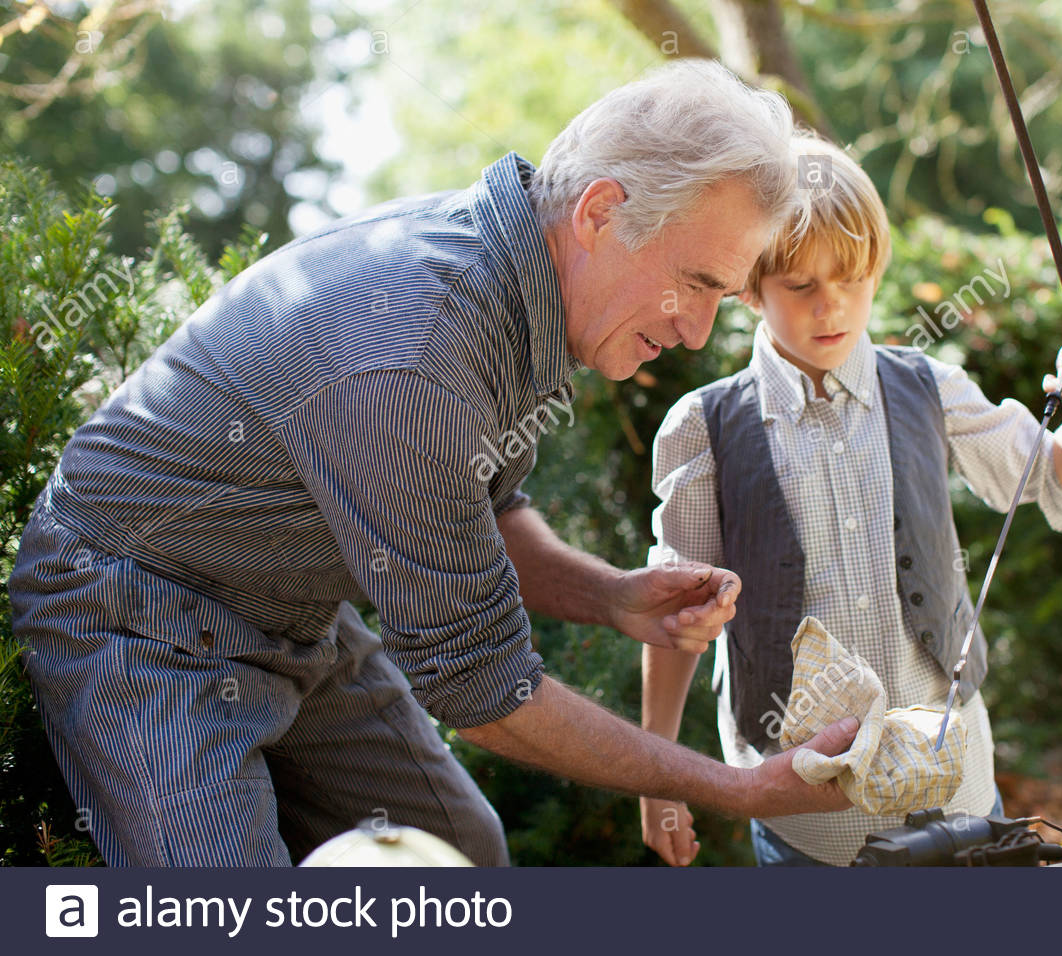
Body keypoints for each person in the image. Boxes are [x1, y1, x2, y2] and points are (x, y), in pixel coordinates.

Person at [7, 60, 859, 868]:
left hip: (292, 612)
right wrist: (735, 788)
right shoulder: (420, 355)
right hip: (137, 609)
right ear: (600, 212)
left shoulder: (520, 281)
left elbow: (482, 507)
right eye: (699, 282)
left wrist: (609, 597)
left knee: (456, 853)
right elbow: (483, 688)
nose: (699, 332)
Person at [640, 134, 1062, 867]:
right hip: (806, 823)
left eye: (852, 281)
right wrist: (655, 779)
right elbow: (675, 620)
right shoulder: (703, 430)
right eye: (800, 285)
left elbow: (1061, 486)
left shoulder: (931, 387)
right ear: (749, 286)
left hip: (955, 796)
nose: (832, 307)